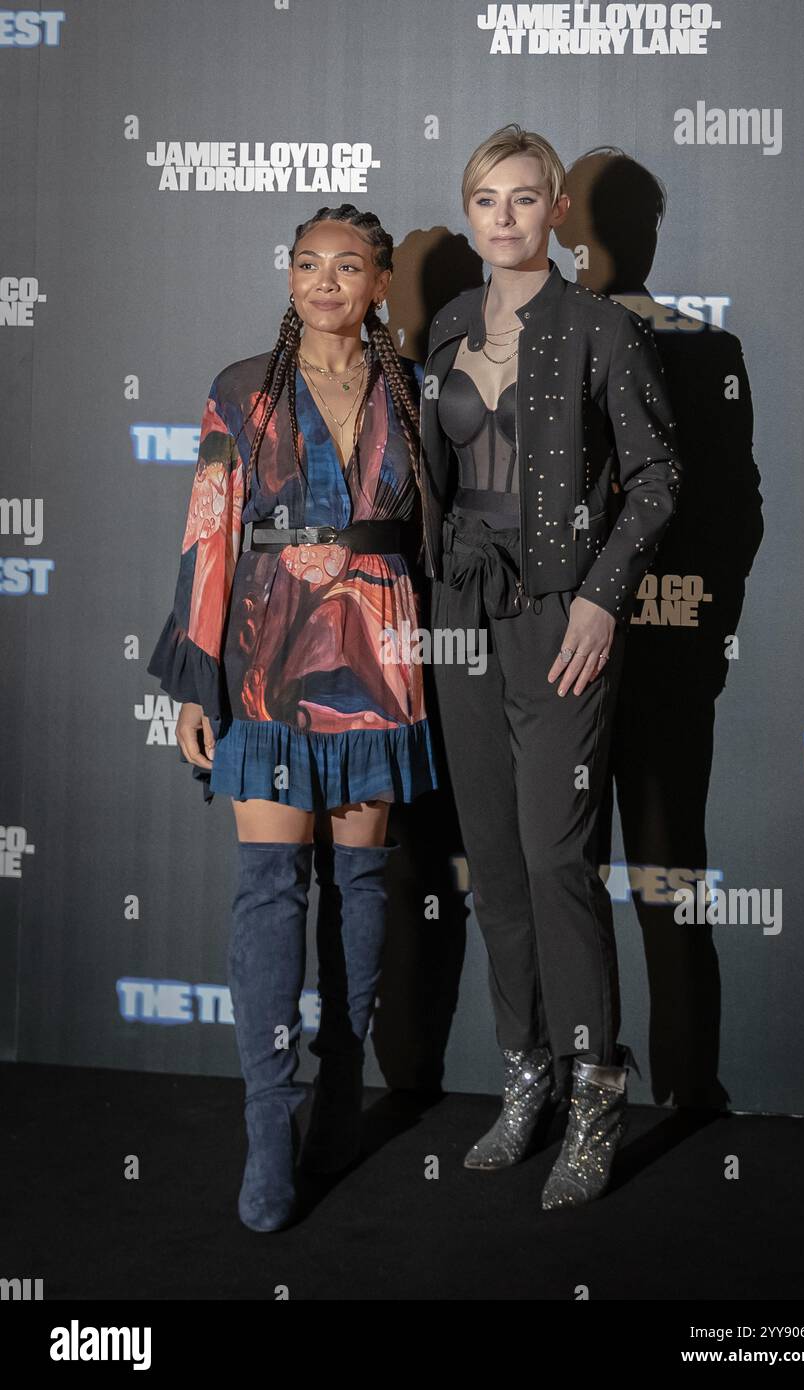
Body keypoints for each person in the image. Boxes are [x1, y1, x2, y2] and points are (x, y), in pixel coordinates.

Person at [147, 205, 438, 1233]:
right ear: (288, 277)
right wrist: (195, 678)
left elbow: (444, 529)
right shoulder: (241, 389)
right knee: (271, 888)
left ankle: (339, 1098)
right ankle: (269, 1133)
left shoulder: (414, 390)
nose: (322, 281)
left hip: (376, 654)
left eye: (345, 265)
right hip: (266, 659)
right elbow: (209, 533)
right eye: (306, 263)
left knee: (359, 880)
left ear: (377, 283)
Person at [418, 125, 681, 1209]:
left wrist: (598, 598)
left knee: (555, 858)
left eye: (525, 198)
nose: (504, 216)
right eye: (486, 198)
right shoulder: (438, 329)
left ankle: (593, 1089)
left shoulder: (597, 330)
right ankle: (521, 1073)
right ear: (470, 207)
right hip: (460, 613)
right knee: (492, 858)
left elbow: (658, 476)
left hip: (556, 617)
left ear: (557, 210)